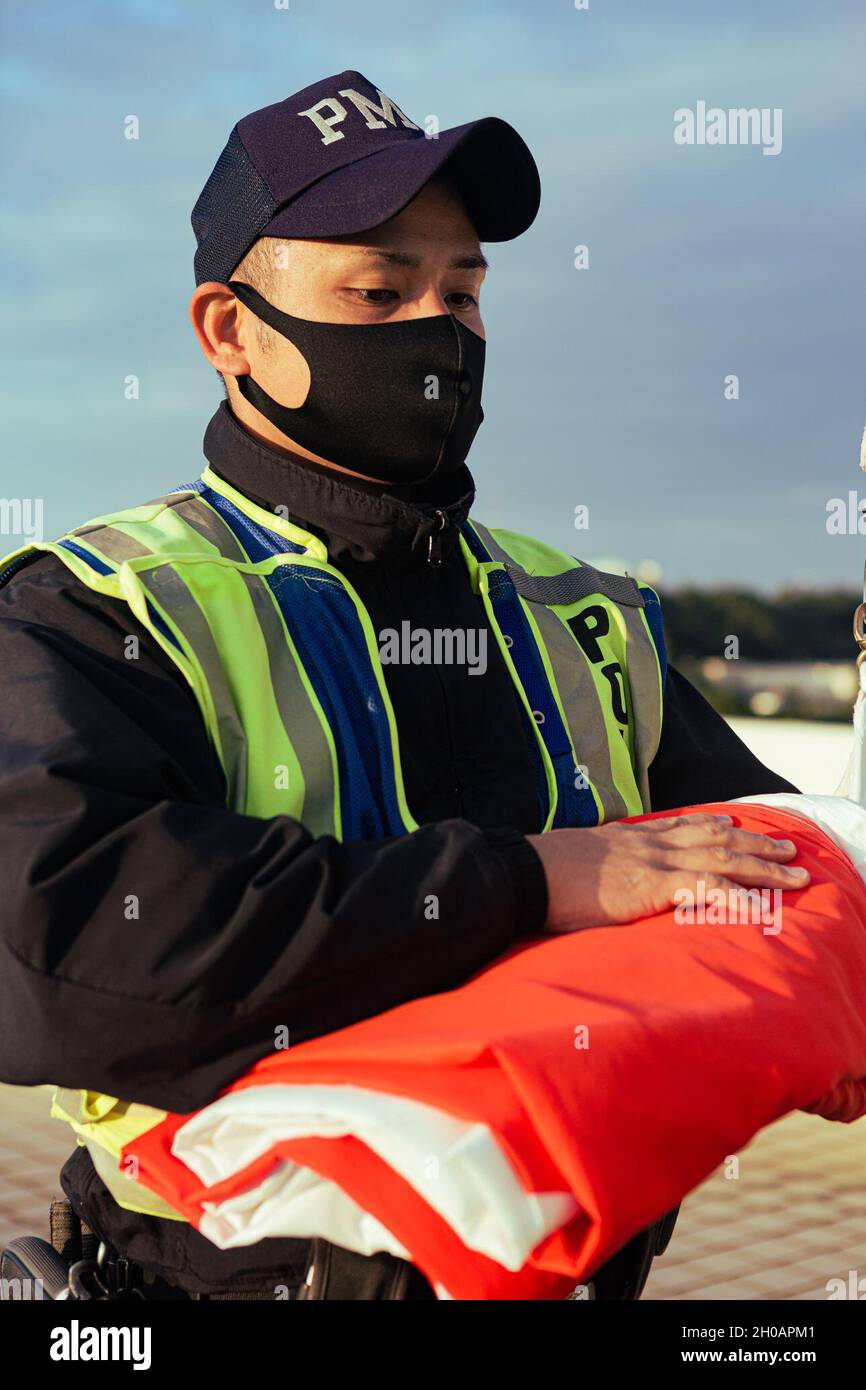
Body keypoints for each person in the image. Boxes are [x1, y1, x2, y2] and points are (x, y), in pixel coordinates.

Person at [0, 70, 801, 1300]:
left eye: (465, 291)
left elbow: (772, 871)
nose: (440, 330)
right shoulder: (93, 606)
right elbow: (67, 948)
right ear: (229, 331)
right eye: (378, 291)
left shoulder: (579, 612)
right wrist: (531, 881)